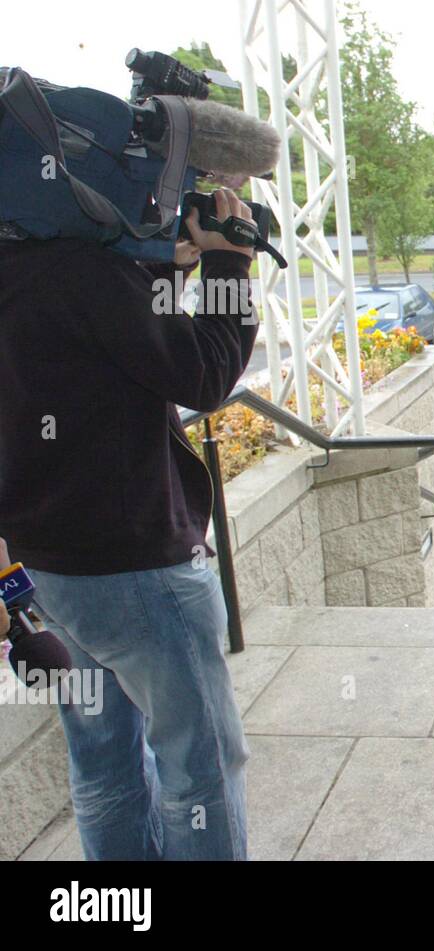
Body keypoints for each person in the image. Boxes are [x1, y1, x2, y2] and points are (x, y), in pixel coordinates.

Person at [0, 188, 260, 860]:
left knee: (104, 762)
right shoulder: (82, 271)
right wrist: (230, 263)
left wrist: (164, 272)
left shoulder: (27, 265)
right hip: (136, 571)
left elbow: (93, 357)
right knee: (199, 767)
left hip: (45, 569)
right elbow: (203, 371)